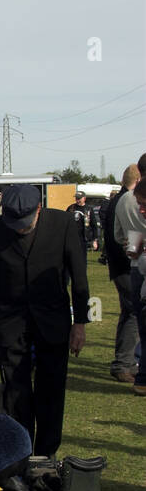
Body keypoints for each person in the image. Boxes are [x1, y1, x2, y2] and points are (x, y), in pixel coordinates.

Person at [0, 183, 89, 457]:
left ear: (39, 208)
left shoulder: (63, 223)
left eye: (24, 223)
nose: (19, 229)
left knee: (51, 389)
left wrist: (80, 323)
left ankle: (46, 455)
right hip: (10, 320)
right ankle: (21, 451)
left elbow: (79, 275)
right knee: (16, 392)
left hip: (53, 318)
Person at [104, 164, 141, 382]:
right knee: (134, 312)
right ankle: (125, 362)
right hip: (128, 266)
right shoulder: (129, 200)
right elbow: (124, 238)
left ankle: (124, 360)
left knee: (129, 312)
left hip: (121, 265)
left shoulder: (118, 200)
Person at [114, 154, 146, 396]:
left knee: (133, 315)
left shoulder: (124, 199)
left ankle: (133, 368)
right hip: (138, 262)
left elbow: (119, 236)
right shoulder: (135, 198)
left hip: (133, 264)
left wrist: (133, 247)